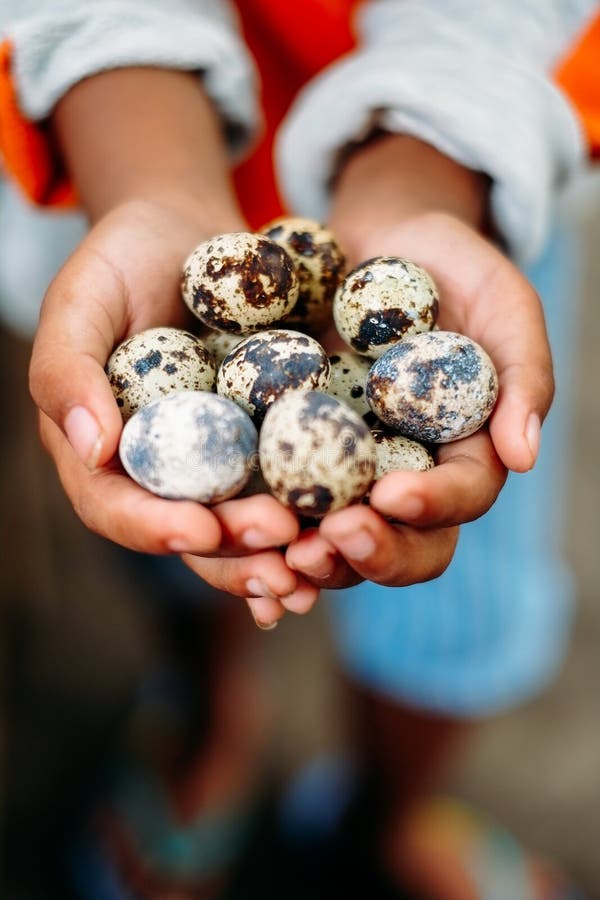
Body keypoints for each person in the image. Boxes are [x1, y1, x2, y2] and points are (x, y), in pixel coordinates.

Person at [0, 1, 597, 897]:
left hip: (472, 160)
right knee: (181, 542)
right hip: (118, 148)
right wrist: (152, 175)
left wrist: (424, 180)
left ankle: (386, 810)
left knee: (460, 597)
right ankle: (214, 724)